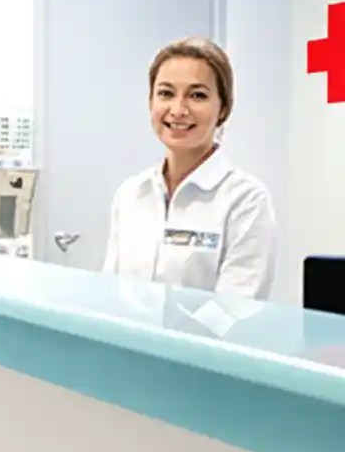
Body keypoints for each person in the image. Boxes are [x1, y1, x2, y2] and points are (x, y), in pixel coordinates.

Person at [102, 36, 277, 300]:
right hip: (125, 341)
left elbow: (234, 310)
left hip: (197, 343)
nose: (178, 109)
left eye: (197, 95)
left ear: (223, 108)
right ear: (151, 102)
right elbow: (110, 292)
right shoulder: (130, 194)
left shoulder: (245, 200)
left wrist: (165, 340)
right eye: (166, 93)